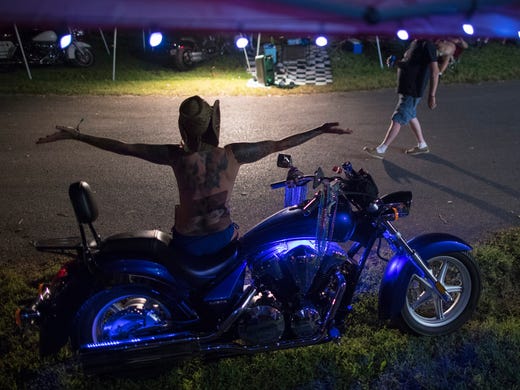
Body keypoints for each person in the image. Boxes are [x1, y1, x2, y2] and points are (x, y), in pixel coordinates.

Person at [36, 95, 352, 256]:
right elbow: (280, 144)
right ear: (212, 124)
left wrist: (78, 136)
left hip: (186, 242)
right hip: (221, 238)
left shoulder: (175, 155)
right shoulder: (232, 154)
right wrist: (320, 130)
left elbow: (124, 147)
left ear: (183, 128)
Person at [363, 38, 441, 159]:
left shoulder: (428, 44)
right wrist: (397, 62)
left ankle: (381, 150)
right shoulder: (416, 42)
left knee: (398, 118)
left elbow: (435, 72)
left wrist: (432, 96)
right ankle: (422, 145)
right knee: (411, 115)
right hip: (406, 88)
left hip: (413, 90)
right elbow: (411, 64)